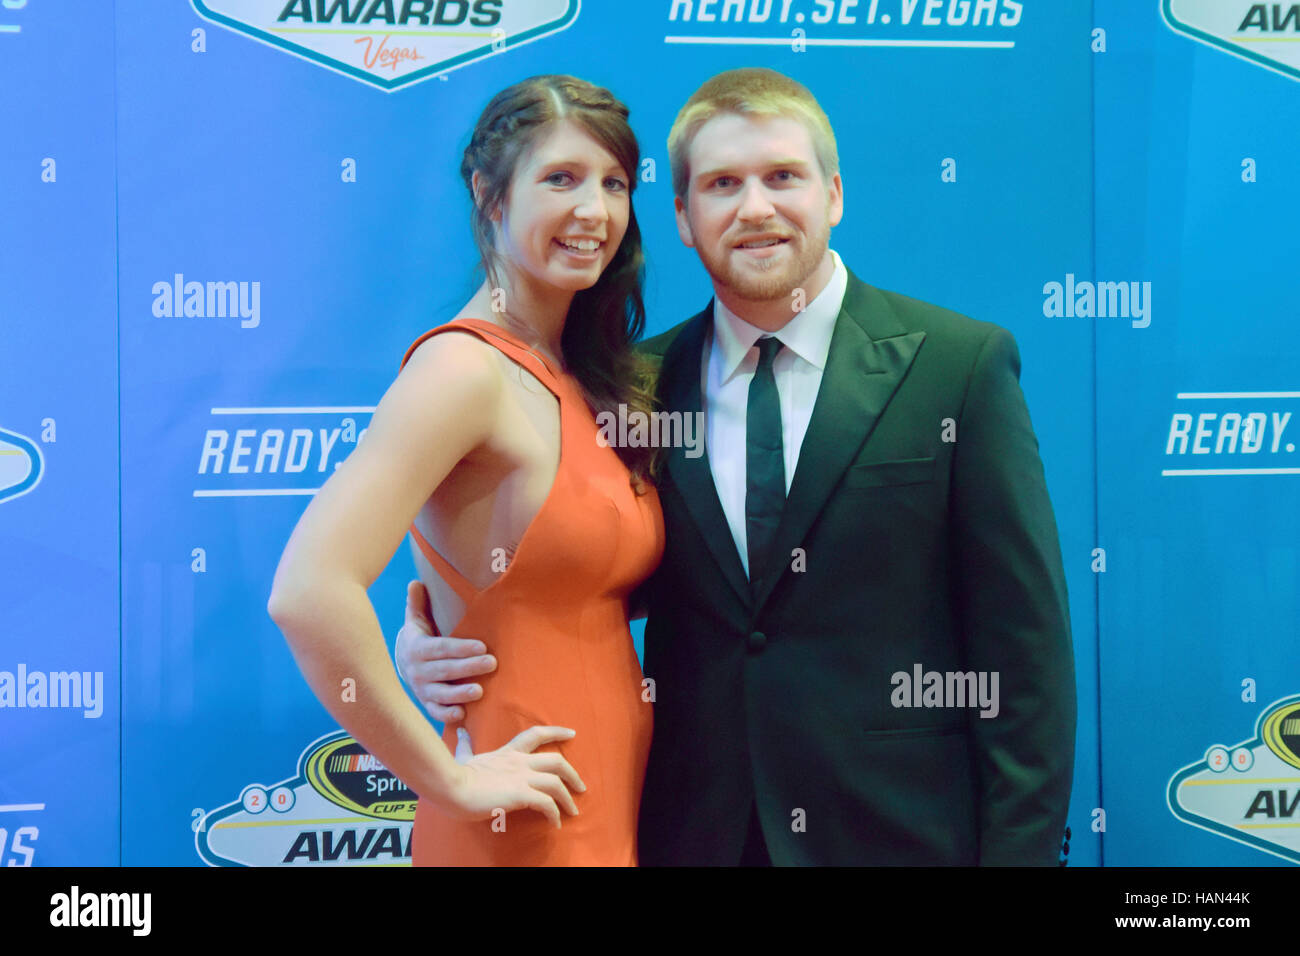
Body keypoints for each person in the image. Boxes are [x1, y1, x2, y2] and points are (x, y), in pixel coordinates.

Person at [397, 66, 1077, 865]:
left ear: (833, 194)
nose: (755, 208)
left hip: (903, 840)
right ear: (683, 216)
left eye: (782, 176)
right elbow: (593, 574)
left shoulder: (959, 368)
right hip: (693, 837)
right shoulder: (633, 384)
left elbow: (1025, 659)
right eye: (722, 184)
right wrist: (442, 642)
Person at [269, 74, 664, 866]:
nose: (594, 210)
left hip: (609, 801)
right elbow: (308, 593)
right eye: (560, 178)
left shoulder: (583, 375)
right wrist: (447, 778)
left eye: (613, 183)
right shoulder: (461, 372)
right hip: (521, 819)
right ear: (489, 194)